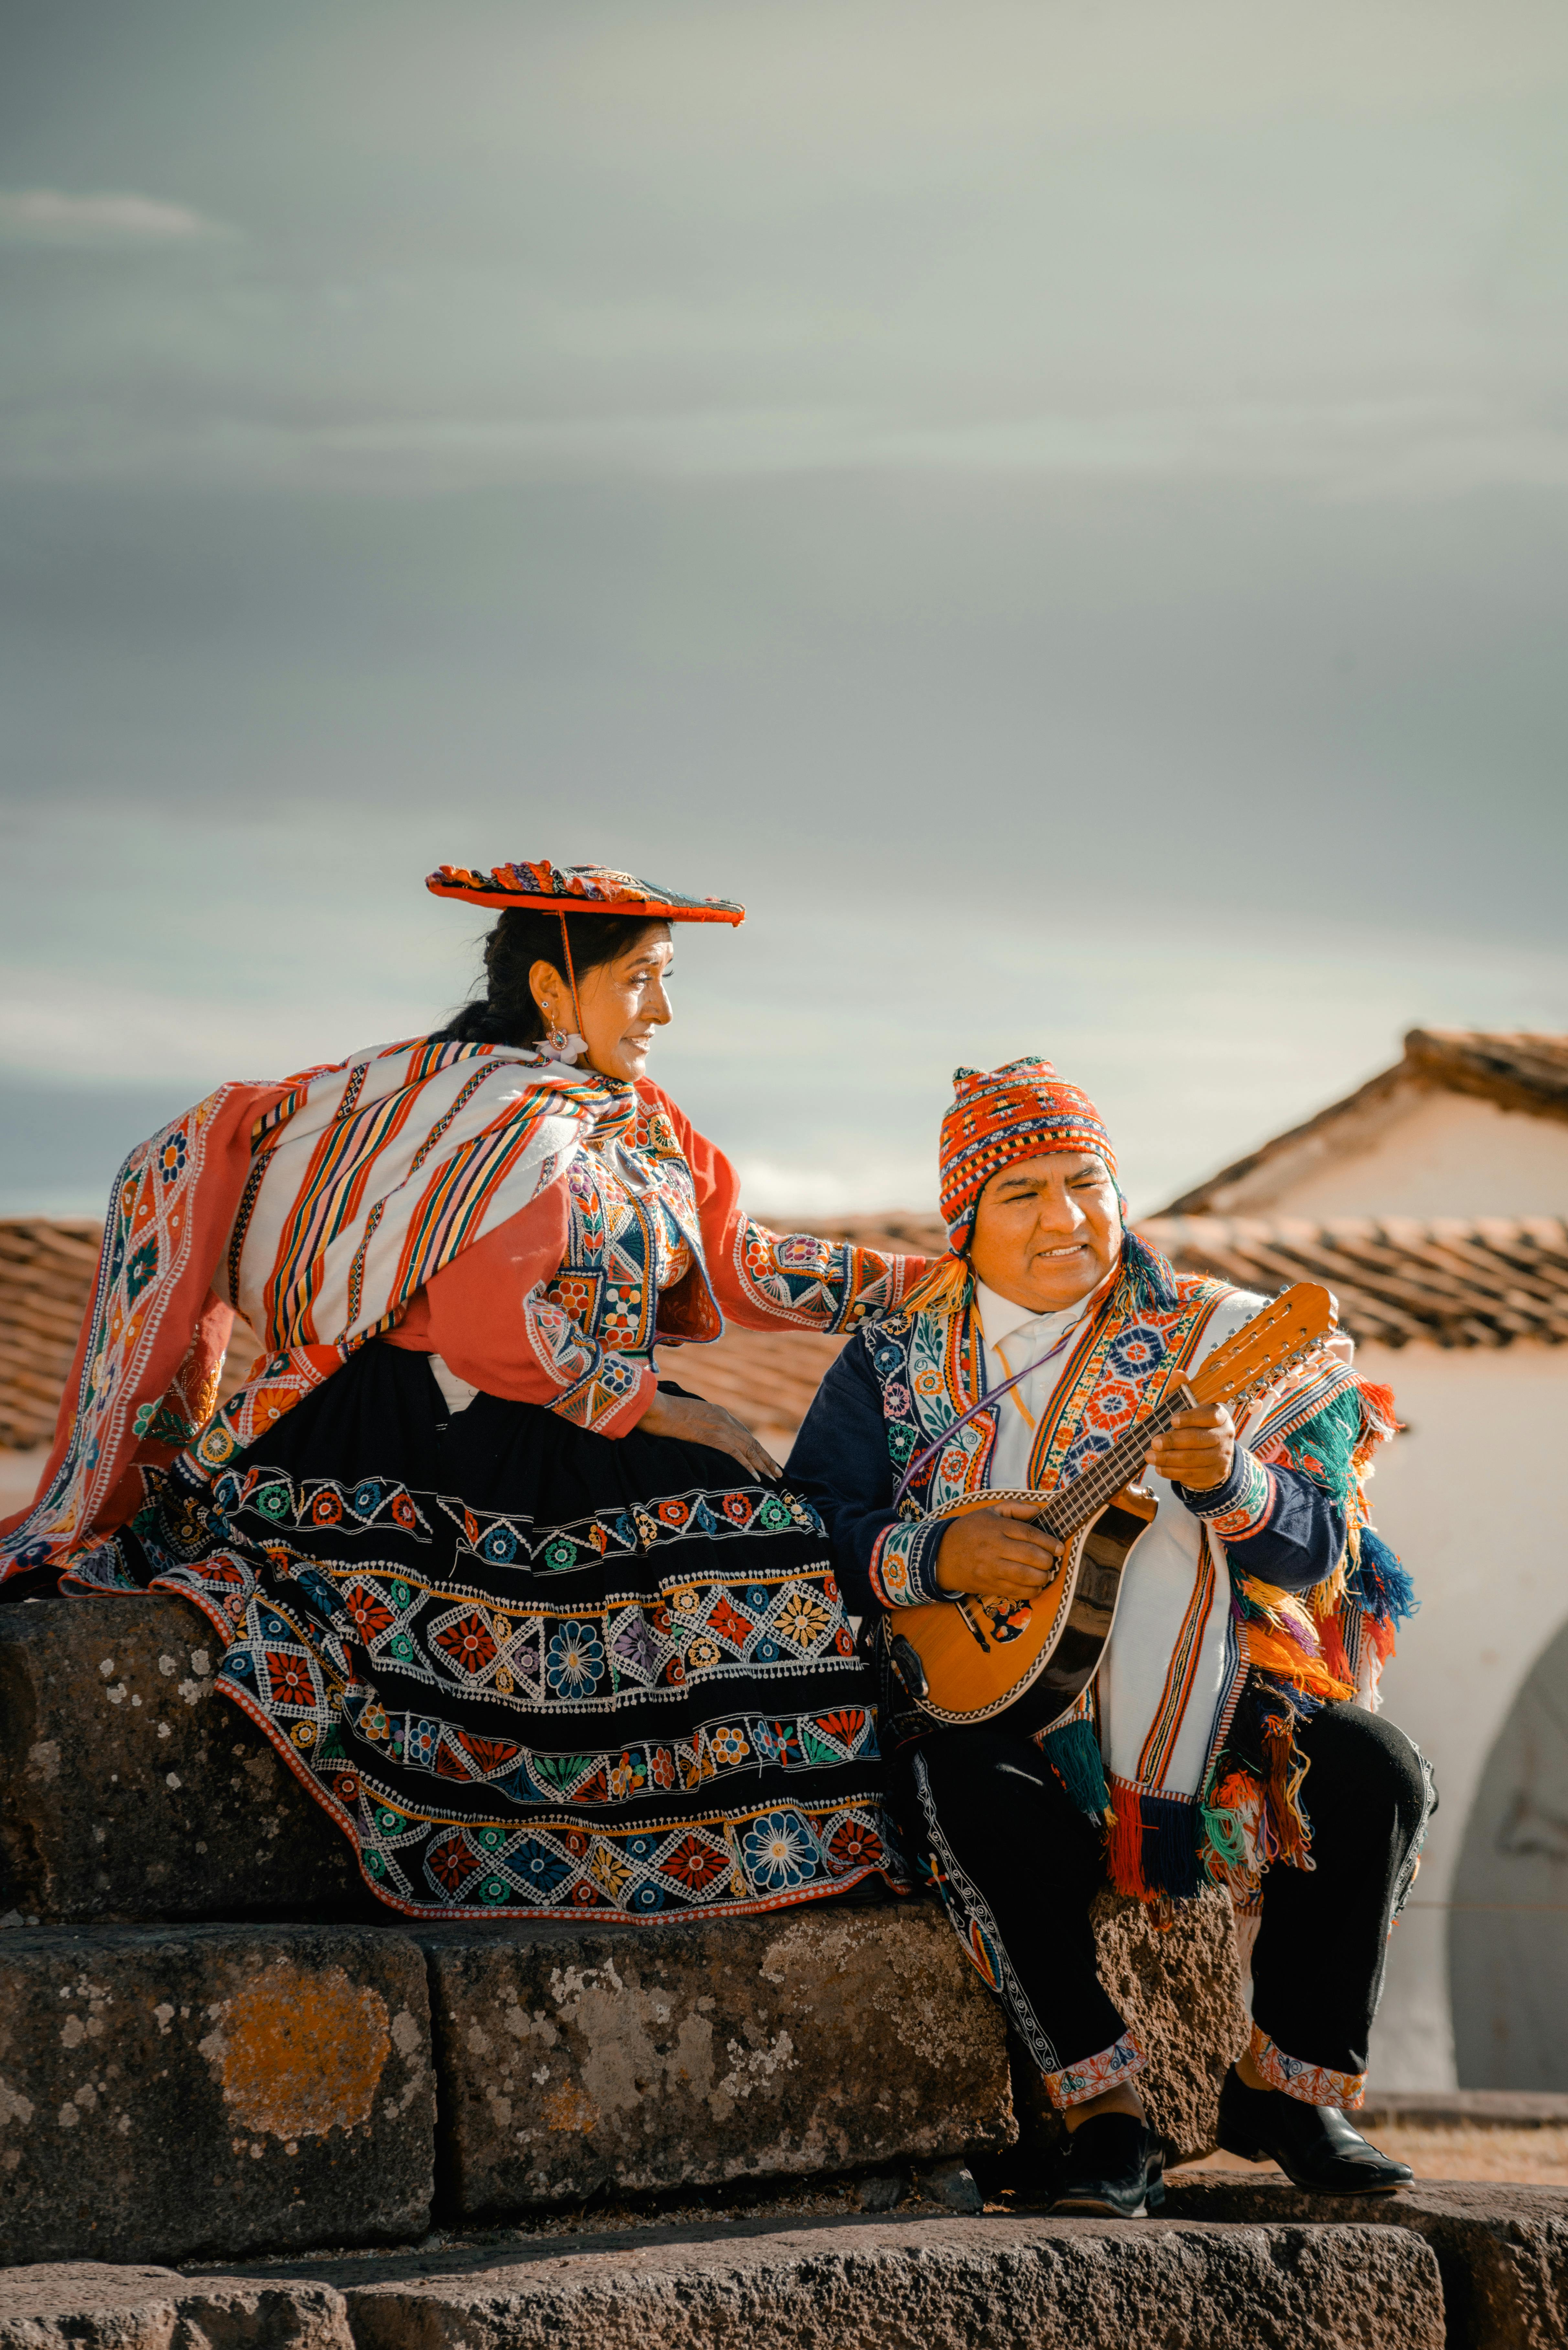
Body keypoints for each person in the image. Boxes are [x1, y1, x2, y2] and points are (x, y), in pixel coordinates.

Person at [0, 860, 929, 1923]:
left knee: (765, 1538)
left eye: (667, 979)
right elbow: (496, 1326)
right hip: (440, 1424)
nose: (664, 1009)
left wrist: (943, 1280)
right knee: (724, 1542)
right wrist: (669, 1409)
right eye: (640, 980)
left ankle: (776, 1843)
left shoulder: (642, 1123)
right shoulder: (508, 1120)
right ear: (552, 989)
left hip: (575, 1408)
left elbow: (733, 1263)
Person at [788, 1056, 1433, 2215]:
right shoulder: (892, 1360)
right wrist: (936, 1557)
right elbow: (810, 1523)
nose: (1066, 1217)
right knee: (957, 1784)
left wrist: (1234, 1484)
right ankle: (1105, 2114)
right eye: (1023, 1193)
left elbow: (1325, 1551)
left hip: (1199, 1697)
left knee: (1370, 1771)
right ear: (966, 1223)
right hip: (992, 1699)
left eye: (1087, 1181)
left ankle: (1287, 2086)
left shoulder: (1215, 1336)